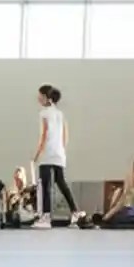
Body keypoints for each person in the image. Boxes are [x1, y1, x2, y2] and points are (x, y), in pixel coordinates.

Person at [33, 84, 83, 228]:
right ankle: (75, 211)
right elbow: (65, 135)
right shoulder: (60, 114)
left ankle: (46, 217)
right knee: (61, 182)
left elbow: (44, 134)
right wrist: (62, 149)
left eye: (40, 96)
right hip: (59, 153)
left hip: (47, 153)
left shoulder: (43, 113)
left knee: (46, 185)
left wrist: (37, 154)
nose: (38, 98)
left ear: (46, 98)